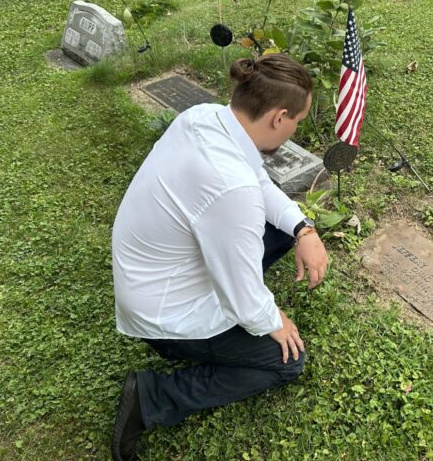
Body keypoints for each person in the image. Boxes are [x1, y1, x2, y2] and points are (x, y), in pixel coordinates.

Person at [110, 54, 328, 461]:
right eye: (298, 121)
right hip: (164, 313)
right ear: (279, 118)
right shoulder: (232, 190)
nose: (296, 128)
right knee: (287, 361)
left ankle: (287, 240)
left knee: (283, 227)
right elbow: (244, 298)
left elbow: (259, 183)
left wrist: (304, 229)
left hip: (152, 274)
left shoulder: (205, 117)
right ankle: (151, 397)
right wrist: (272, 319)